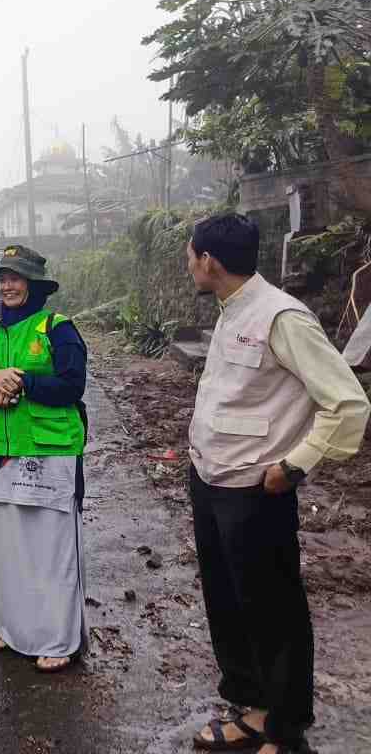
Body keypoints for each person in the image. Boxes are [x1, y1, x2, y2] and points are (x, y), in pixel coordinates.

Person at [183, 214, 368, 754]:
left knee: (272, 610)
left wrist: (296, 465)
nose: (189, 263)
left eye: (190, 255)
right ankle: (252, 709)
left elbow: (348, 402)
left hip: (257, 491)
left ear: (208, 261)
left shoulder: (283, 317)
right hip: (212, 480)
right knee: (229, 602)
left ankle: (287, 733)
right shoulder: (231, 310)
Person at [0, 245, 89, 673]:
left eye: (16, 278)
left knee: (52, 551)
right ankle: (15, 629)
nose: (6, 285)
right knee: (8, 548)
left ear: (35, 284)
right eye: (2, 278)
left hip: (51, 456)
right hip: (1, 455)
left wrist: (22, 382)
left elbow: (73, 385)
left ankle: (59, 640)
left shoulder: (58, 328)